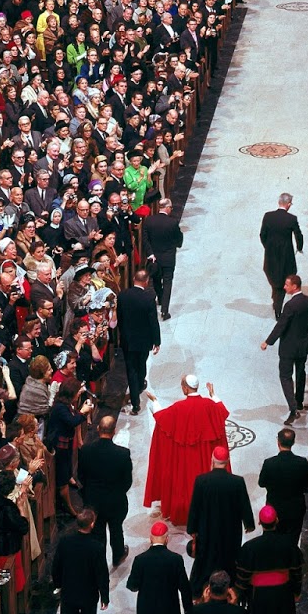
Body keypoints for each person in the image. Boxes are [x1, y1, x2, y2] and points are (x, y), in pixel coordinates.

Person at [143, 374, 230, 526]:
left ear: (184, 388)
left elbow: (162, 419)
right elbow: (222, 411)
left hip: (186, 459)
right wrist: (213, 395)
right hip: (205, 459)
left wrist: (155, 402)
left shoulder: (179, 407)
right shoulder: (209, 405)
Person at [186, 445, 255, 593]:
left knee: (207, 559)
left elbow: (195, 507)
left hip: (207, 529)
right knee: (228, 558)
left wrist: (192, 528)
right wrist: (249, 524)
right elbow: (244, 504)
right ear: (227, 460)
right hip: (230, 531)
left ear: (212, 460)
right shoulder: (237, 481)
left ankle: (207, 585)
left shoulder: (201, 481)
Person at [50, 506, 109, 614]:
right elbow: (102, 574)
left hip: (69, 594)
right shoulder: (96, 547)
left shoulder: (65, 541)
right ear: (92, 524)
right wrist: (104, 596)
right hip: (88, 596)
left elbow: (56, 566)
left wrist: (59, 585)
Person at [76, 414, 134, 567]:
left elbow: (80, 476)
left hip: (93, 500)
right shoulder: (123, 454)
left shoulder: (86, 450)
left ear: (97, 429)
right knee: (116, 529)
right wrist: (118, 492)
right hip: (115, 500)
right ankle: (118, 555)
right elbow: (127, 481)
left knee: (97, 531)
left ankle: (99, 561)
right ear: (114, 431)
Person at [263, 275, 308, 422]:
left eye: (287, 285)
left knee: (285, 376)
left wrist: (268, 341)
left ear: (295, 286)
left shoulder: (290, 305)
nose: (284, 287)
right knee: (300, 373)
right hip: (303, 344)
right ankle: (299, 402)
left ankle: (293, 409)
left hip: (289, 348)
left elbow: (281, 325)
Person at [115, 267, 161, 414]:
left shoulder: (122, 296)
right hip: (144, 341)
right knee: (141, 363)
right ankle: (141, 384)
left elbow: (120, 318)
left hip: (128, 340)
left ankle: (135, 404)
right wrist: (157, 341)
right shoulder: (148, 298)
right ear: (146, 282)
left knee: (131, 370)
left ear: (134, 279)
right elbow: (153, 321)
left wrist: (123, 335)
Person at [259, 426, 308, 538]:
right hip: (295, 509)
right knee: (292, 539)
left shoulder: (269, 463)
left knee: (274, 538)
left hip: (275, 509)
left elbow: (261, 483)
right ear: (293, 442)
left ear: (278, 442)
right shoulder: (301, 462)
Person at [260, 193, 304, 316]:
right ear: (288, 204)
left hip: (271, 256)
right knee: (284, 280)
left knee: (275, 280)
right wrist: (299, 248)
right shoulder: (291, 218)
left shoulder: (268, 216)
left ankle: (276, 301)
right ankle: (278, 306)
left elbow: (262, 235)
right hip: (286, 257)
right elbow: (298, 235)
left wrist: (268, 247)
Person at [144, 198, 185, 319]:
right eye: (171, 208)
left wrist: (150, 254)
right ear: (167, 208)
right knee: (167, 282)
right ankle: (164, 311)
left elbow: (145, 240)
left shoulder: (149, 221)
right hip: (168, 258)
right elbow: (178, 239)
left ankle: (161, 299)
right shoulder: (172, 222)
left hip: (154, 258)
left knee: (156, 280)